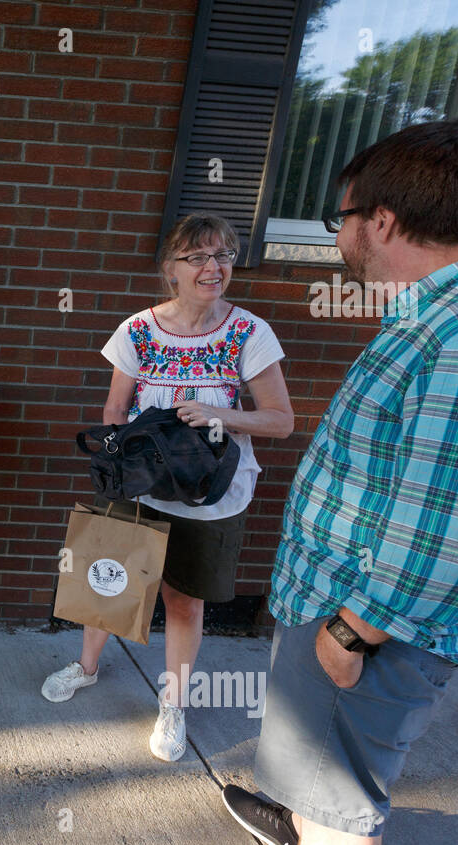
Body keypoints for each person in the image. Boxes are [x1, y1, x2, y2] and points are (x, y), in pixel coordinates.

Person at [222, 118, 458, 845]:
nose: (338, 238)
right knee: (321, 793)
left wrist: (351, 633)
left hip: (368, 626)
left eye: (339, 219)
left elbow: (451, 528)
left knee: (344, 817)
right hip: (347, 607)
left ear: (379, 219)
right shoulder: (448, 315)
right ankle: (298, 821)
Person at [42, 213, 294, 762]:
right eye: (198, 257)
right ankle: (86, 668)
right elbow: (115, 408)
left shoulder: (249, 333)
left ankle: (173, 704)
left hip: (210, 493)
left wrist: (218, 413)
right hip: (140, 483)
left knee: (183, 601)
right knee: (109, 580)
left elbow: (280, 420)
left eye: (224, 255)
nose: (214, 267)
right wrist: (115, 469)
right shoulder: (137, 330)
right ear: (171, 269)